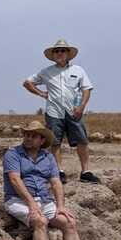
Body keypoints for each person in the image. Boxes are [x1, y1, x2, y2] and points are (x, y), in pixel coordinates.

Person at [2, 121, 103, 240]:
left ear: (42, 140)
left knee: (68, 222)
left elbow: (56, 182)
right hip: (18, 200)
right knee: (39, 221)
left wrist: (60, 206)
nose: (28, 138)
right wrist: (31, 204)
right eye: (26, 134)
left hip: (44, 199)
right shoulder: (13, 154)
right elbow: (14, 179)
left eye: (33, 136)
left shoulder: (48, 157)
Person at [22, 39, 100, 184]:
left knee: (82, 140)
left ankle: (86, 172)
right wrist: (41, 93)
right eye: (56, 51)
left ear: (68, 54)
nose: (59, 53)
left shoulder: (78, 70)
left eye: (62, 50)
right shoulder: (47, 72)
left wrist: (82, 106)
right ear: (53, 54)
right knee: (55, 142)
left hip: (74, 111)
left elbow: (87, 89)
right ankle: (59, 171)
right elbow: (27, 83)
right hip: (53, 112)